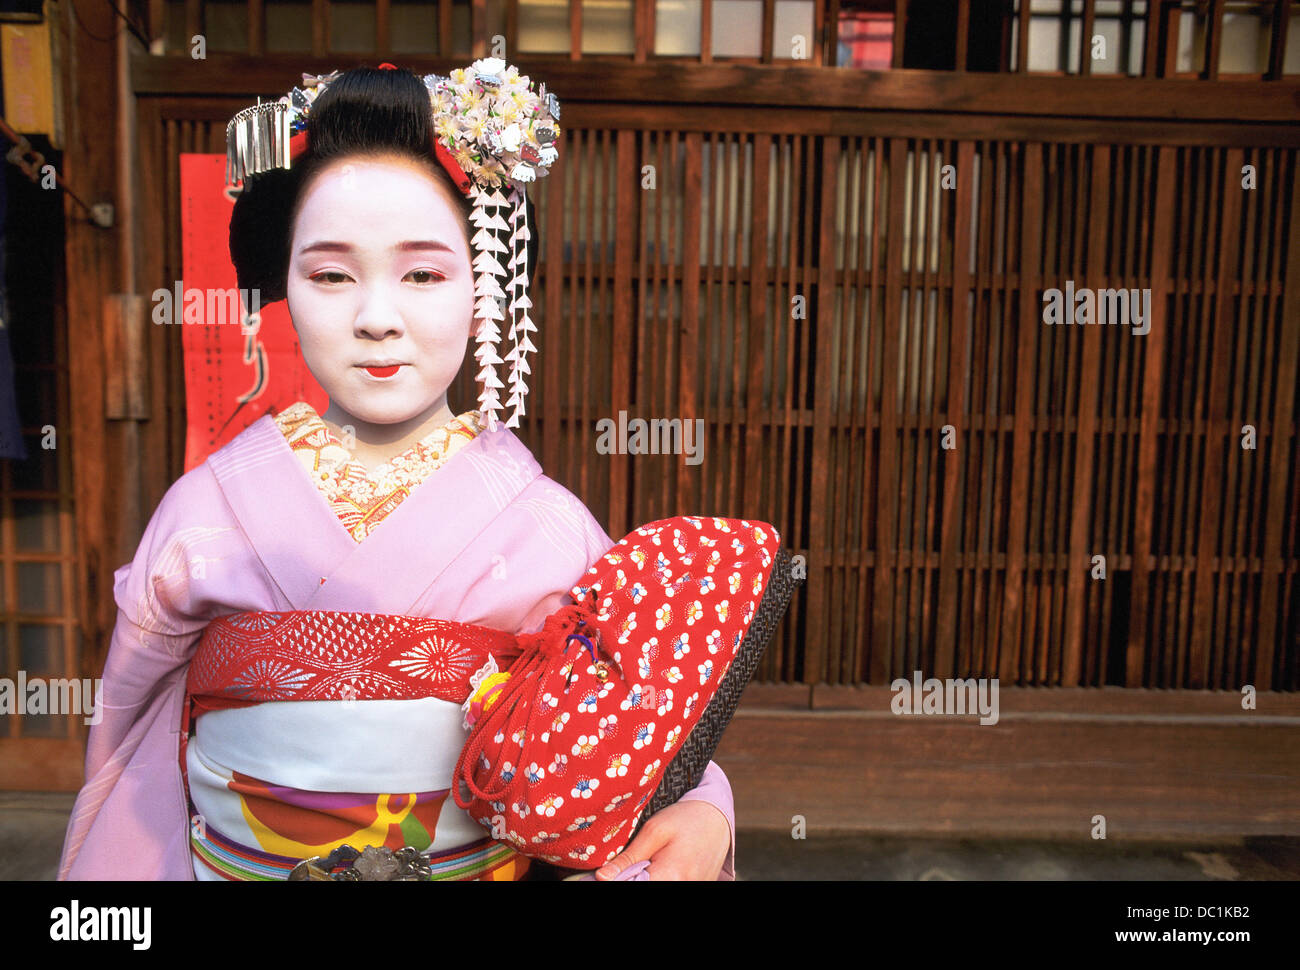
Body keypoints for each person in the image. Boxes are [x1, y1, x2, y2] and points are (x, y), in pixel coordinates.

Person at [58, 63, 734, 881]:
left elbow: (630, 725)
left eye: (423, 273)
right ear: (286, 288)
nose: (377, 317)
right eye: (331, 274)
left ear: (485, 285)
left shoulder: (545, 523)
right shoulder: (207, 510)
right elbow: (129, 734)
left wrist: (705, 807)